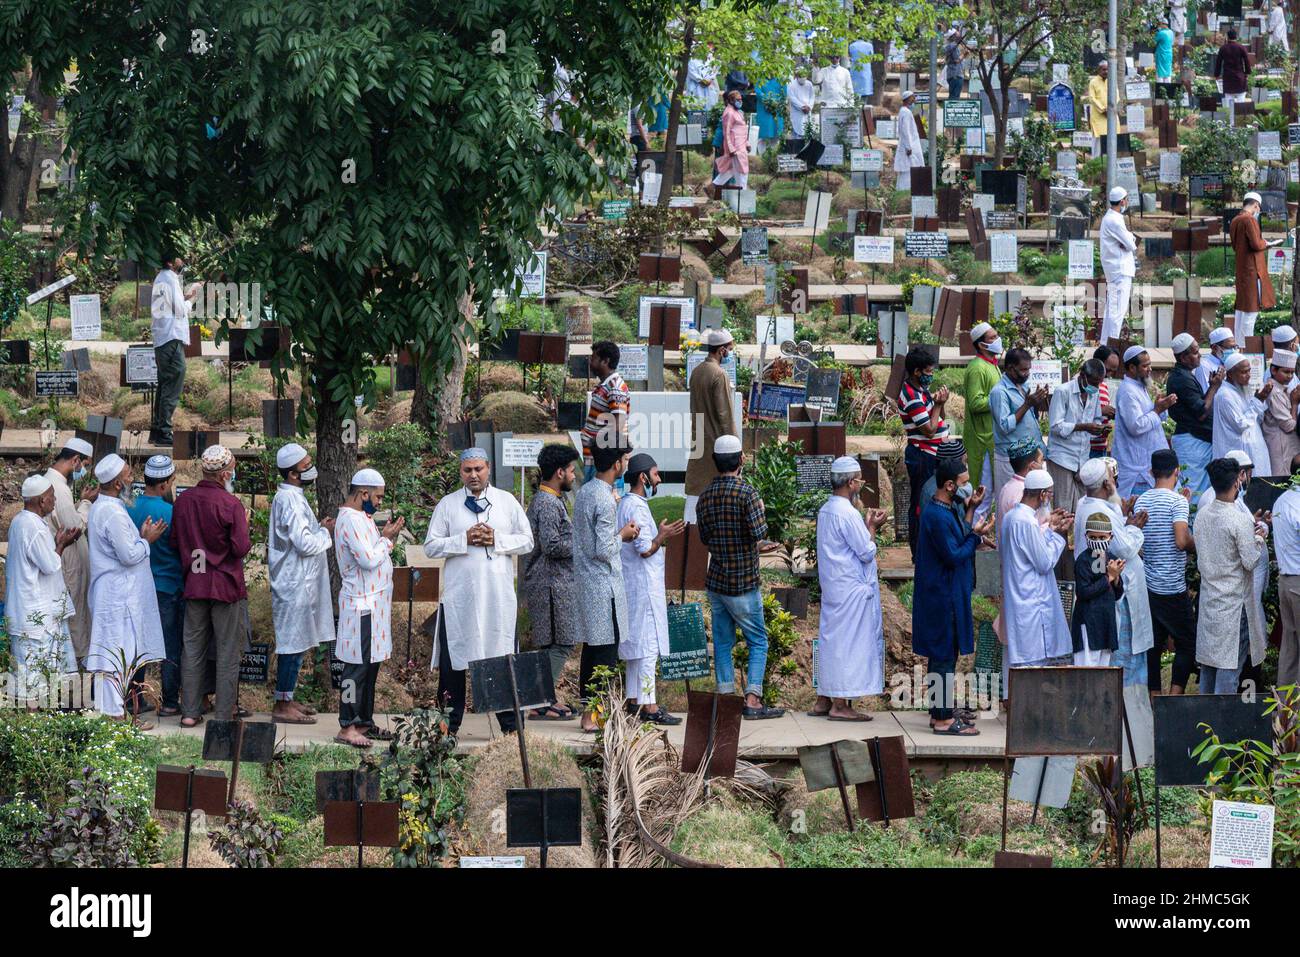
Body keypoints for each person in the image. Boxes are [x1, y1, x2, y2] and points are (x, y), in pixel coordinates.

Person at [423, 449, 534, 735]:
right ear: (460, 472)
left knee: (501, 659)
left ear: (488, 469)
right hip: (460, 600)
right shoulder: (448, 505)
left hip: (497, 600)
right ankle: (446, 730)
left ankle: (511, 731)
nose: (473, 475)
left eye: (478, 469)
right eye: (467, 470)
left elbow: (527, 541)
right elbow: (431, 546)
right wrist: (464, 540)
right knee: (453, 666)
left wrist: (496, 539)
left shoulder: (507, 502)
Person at [696, 435, 784, 719]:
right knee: (758, 640)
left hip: (717, 582)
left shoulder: (705, 496)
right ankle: (753, 700)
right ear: (741, 460)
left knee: (722, 643)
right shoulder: (748, 493)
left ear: (716, 462)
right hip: (744, 583)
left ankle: (725, 698)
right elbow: (760, 535)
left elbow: (705, 538)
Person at [170, 444, 251, 726]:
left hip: (194, 582)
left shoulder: (184, 501)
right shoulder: (231, 505)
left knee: (192, 647)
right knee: (228, 649)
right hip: (225, 586)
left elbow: (175, 541)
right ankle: (224, 711)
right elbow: (240, 548)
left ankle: (190, 711)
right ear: (224, 474)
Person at [913, 458, 993, 735]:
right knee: (944, 656)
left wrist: (971, 509)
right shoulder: (936, 516)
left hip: (948, 593)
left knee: (945, 654)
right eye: (962, 484)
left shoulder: (946, 509)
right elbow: (954, 553)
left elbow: (959, 538)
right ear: (949, 485)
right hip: (942, 595)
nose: (966, 487)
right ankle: (944, 720)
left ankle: (940, 713)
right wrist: (977, 539)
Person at [85, 454, 167, 720]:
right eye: (129, 475)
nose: (134, 479)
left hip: (117, 593)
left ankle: (116, 711)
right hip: (116, 595)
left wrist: (139, 537)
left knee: (120, 654)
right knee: (113, 654)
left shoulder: (109, 507)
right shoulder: (110, 512)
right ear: (119, 483)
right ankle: (113, 715)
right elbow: (128, 556)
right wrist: (147, 541)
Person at [810, 457, 889, 721]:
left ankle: (824, 698)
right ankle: (841, 705)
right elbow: (866, 551)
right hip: (851, 590)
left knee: (831, 641)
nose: (860, 486)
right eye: (859, 481)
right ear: (850, 483)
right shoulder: (847, 513)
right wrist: (873, 528)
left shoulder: (825, 510)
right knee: (848, 645)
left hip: (834, 588)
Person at [334, 469, 403, 748]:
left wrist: (384, 539)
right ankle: (346, 725)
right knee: (356, 668)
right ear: (363, 493)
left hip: (374, 606)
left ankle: (363, 721)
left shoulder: (362, 518)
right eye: (377, 497)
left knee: (371, 666)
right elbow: (366, 559)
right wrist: (387, 540)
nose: (379, 502)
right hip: (360, 606)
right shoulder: (349, 519)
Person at [267, 443, 334, 725]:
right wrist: (325, 532)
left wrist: (317, 528)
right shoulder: (290, 501)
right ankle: (282, 704)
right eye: (306, 465)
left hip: (299, 581)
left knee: (297, 642)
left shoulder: (292, 496)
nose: (311, 469)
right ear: (293, 474)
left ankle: (289, 697)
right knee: (291, 645)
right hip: (293, 582)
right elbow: (305, 544)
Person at [572, 440, 636, 730]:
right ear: (616, 464)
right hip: (603, 585)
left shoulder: (586, 491)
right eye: (625, 459)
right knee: (605, 654)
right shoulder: (605, 499)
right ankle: (592, 716)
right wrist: (624, 533)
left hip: (588, 582)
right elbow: (603, 547)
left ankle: (589, 711)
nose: (627, 464)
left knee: (593, 649)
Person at [617, 452, 685, 725]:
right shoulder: (638, 506)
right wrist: (663, 535)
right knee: (647, 647)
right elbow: (644, 549)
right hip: (643, 587)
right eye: (656, 474)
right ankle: (650, 706)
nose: (659, 479)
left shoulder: (625, 503)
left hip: (633, 585)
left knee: (636, 646)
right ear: (643, 477)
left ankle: (634, 699)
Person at [1196, 457, 1268, 693]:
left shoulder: (1202, 514)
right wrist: (1259, 538)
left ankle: (1203, 721)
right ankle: (1220, 725)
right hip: (1235, 606)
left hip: (1210, 601)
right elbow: (1250, 560)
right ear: (1238, 482)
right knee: (1229, 670)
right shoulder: (1237, 519)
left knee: (1208, 666)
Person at [5, 474, 79, 697]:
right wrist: (62, 545)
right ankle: (34, 726)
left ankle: (41, 726)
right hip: (35, 616)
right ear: (42, 500)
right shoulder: (33, 526)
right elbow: (49, 565)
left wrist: (55, 544)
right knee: (33, 683)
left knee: (35, 678)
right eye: (52, 496)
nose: (54, 501)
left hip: (29, 613)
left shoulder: (21, 521)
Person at [124, 454, 187, 717]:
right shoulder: (171, 512)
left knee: (137, 645)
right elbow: (181, 549)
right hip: (167, 586)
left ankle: (134, 699)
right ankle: (171, 702)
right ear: (164, 485)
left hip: (137, 586)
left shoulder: (128, 508)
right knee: (169, 646)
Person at [521, 443, 581, 719]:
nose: (574, 476)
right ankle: (539, 700)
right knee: (561, 642)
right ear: (559, 472)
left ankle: (544, 698)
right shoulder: (546, 503)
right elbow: (552, 545)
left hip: (553, 584)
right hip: (550, 585)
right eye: (571, 471)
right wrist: (582, 543)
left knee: (552, 643)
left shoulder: (550, 501)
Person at [1135, 450, 1198, 695]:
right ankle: (1174, 698)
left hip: (1148, 586)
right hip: (1172, 586)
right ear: (1177, 471)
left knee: (1153, 646)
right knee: (1186, 643)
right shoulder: (1177, 502)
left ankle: (1154, 699)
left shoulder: (1141, 501)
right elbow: (1182, 540)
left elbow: (1138, 545)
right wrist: (1196, 545)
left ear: (1151, 473)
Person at [1000, 468, 1074, 673]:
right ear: (1042, 495)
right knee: (1032, 665)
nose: (1049, 500)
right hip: (1031, 599)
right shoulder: (1026, 522)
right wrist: (1059, 534)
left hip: (1022, 596)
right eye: (1049, 495)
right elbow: (1044, 561)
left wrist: (1049, 530)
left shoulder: (1012, 517)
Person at [42, 436, 95, 664]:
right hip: (70, 565)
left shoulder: (58, 485)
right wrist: (86, 504)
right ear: (75, 460)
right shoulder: (59, 489)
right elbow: (74, 527)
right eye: (84, 465)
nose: (83, 470)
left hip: (71, 561)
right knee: (76, 620)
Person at [898, 345, 949, 558]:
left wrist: (940, 403)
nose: (931, 376)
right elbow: (928, 430)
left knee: (930, 500)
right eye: (928, 372)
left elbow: (940, 418)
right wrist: (937, 405)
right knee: (920, 503)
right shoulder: (910, 395)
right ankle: (918, 552)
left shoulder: (922, 391)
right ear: (917, 372)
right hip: (922, 454)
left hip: (933, 453)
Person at [685, 328, 737, 523]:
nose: (729, 353)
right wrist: (735, 447)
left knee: (696, 488)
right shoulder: (719, 374)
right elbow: (725, 415)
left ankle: (690, 531)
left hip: (698, 437)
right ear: (722, 350)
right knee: (721, 490)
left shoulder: (697, 371)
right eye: (729, 349)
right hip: (717, 442)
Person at [149, 252, 200, 445]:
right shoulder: (170, 279)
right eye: (179, 258)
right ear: (171, 262)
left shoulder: (163, 277)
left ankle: (157, 429)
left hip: (163, 337)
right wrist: (193, 298)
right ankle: (164, 432)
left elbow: (172, 304)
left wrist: (185, 297)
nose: (183, 261)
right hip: (170, 336)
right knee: (175, 378)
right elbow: (180, 310)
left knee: (164, 383)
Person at [1046, 358, 1107, 515]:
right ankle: (1061, 540)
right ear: (1082, 375)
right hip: (1062, 457)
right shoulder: (1063, 391)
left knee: (1081, 507)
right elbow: (1055, 426)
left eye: (1099, 383)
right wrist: (1084, 427)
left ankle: (1075, 539)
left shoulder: (1095, 394)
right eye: (1093, 382)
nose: (1096, 387)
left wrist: (1099, 429)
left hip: (1082, 457)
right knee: (1062, 509)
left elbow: (1097, 418)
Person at [1113, 346, 1176, 497]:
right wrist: (1157, 410)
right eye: (1145, 366)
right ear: (1132, 368)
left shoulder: (1140, 387)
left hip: (1148, 468)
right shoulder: (1128, 391)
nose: (1150, 369)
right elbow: (1136, 426)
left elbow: (1153, 418)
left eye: (1150, 364)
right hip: (1138, 472)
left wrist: (1160, 406)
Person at [1166, 332, 1223, 495]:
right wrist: (1214, 387)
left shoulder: (1185, 375)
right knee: (1193, 492)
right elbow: (1201, 413)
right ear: (1183, 358)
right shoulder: (1181, 379)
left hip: (1196, 440)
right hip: (1191, 442)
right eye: (1196, 352)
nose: (1200, 356)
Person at [989, 347, 1049, 496]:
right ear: (1010, 368)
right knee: (1012, 499)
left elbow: (1027, 418)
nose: (1027, 374)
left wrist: (1039, 401)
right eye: (1023, 370)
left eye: (1028, 370)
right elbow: (1004, 426)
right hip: (1010, 460)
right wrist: (1027, 404)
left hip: (1030, 457)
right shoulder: (999, 392)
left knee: (1032, 500)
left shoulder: (1023, 386)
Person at [1073, 511, 1125, 666]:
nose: (1097, 541)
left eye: (1102, 538)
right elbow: (1084, 592)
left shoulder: (1110, 558)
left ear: (1111, 538)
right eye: (1093, 537)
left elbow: (1116, 594)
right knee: (1086, 672)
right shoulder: (1083, 560)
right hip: (1088, 623)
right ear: (1086, 537)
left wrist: (1115, 579)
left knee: (1104, 671)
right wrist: (1108, 577)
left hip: (1106, 622)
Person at [963, 322, 1001, 519]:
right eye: (992, 338)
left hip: (991, 439)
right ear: (981, 345)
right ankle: (974, 538)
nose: (997, 340)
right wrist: (1001, 398)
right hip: (981, 441)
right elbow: (976, 404)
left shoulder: (991, 365)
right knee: (982, 495)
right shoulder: (977, 368)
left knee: (990, 494)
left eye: (997, 336)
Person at [1269, 453, 1300, 689]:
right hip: (1298, 581)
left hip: (1286, 581)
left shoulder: (1281, 500)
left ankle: (1286, 716)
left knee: (1290, 648)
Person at [1212, 352, 1271, 473]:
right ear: (1230, 374)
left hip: (1255, 450)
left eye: (1249, 371)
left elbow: (1256, 420)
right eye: (1244, 372)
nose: (1248, 375)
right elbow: (1240, 425)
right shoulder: (1225, 395)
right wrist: (1258, 401)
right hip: (1237, 454)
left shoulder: (1244, 390)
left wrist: (1261, 398)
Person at [582, 340, 630, 480]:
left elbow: (618, 426)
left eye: (594, 358)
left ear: (605, 361)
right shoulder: (607, 385)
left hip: (604, 466)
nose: (590, 362)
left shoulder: (615, 387)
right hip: (598, 461)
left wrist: (609, 466)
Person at [1230, 192, 1275, 338]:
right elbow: (1256, 244)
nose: (1258, 212)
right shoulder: (1249, 220)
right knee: (1251, 311)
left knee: (1241, 311)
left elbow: (1236, 246)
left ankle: (1238, 347)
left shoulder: (1235, 220)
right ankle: (1247, 349)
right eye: (1258, 208)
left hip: (1242, 270)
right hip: (1252, 272)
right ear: (1255, 205)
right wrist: (1267, 244)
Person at [1100, 187, 1137, 344]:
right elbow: (1131, 244)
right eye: (1126, 199)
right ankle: (1112, 346)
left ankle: (1105, 343)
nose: (1127, 202)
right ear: (1122, 201)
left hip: (1115, 270)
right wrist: (1130, 238)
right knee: (1117, 312)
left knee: (1111, 311)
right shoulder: (1115, 220)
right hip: (1120, 270)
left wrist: (1128, 239)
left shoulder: (1110, 218)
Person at [997, 440, 1046, 536]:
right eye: (1041, 460)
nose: (1043, 464)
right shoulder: (1024, 492)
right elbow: (1031, 532)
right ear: (1032, 466)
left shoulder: (1008, 486)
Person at [1263, 350, 1300, 475]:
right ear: (1273, 370)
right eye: (1286, 372)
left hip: (1288, 446)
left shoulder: (1284, 389)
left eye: (1292, 372)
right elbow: (1289, 426)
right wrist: (1295, 403)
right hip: (1280, 446)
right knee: (1282, 480)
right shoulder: (1274, 392)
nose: (1290, 376)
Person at [713, 89, 750, 189]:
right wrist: (731, 148)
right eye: (737, 100)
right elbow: (726, 133)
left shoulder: (739, 112)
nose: (740, 102)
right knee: (742, 170)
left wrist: (747, 143)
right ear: (731, 101)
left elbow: (742, 129)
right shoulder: (729, 113)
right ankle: (742, 193)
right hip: (736, 148)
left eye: (741, 99)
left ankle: (714, 186)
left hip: (741, 145)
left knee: (731, 170)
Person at [1089, 345, 1120, 458]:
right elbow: (1076, 411)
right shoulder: (1084, 384)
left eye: (1113, 371)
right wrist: (1101, 411)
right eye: (1108, 370)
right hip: (1087, 447)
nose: (1109, 374)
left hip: (1101, 445)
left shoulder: (1104, 385)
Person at [1215, 29, 1252, 122]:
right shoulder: (1241, 47)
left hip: (1228, 78)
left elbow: (1218, 62)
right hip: (1240, 77)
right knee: (1241, 101)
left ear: (1227, 37)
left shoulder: (1223, 48)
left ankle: (1229, 123)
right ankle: (1241, 122)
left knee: (1228, 101)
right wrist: (1247, 73)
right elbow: (1247, 62)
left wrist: (1217, 74)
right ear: (1236, 37)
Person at [893, 89, 926, 191]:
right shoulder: (906, 112)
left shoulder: (904, 111)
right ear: (908, 99)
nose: (914, 100)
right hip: (909, 146)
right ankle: (907, 189)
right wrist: (908, 147)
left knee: (909, 168)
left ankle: (904, 189)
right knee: (909, 169)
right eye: (913, 98)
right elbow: (905, 130)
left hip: (908, 144)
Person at [1195, 327, 1237, 391]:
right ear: (1214, 348)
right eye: (1229, 348)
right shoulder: (1204, 366)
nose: (1233, 351)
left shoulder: (1230, 364)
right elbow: (1206, 394)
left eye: (1234, 347)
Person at [754, 77, 786, 152]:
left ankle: (773, 158)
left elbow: (784, 94)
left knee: (776, 135)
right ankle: (762, 158)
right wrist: (769, 100)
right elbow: (758, 92)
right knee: (762, 136)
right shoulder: (760, 79)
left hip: (776, 111)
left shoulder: (781, 79)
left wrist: (776, 102)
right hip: (764, 111)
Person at [1085, 63, 1110, 157]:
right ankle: (1096, 161)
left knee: (1111, 137)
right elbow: (1092, 98)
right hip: (1098, 115)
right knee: (1098, 139)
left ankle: (1109, 163)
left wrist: (1111, 109)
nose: (1106, 72)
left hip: (1110, 115)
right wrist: (1103, 110)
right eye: (1104, 69)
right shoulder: (1093, 82)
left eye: (1107, 69)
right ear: (1099, 70)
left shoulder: (1111, 81)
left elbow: (1117, 96)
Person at [786, 68, 815, 139]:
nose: (802, 77)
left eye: (804, 75)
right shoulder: (791, 84)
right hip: (797, 112)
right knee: (796, 133)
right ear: (796, 75)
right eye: (800, 75)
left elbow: (812, 96)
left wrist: (809, 107)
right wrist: (802, 107)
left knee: (807, 131)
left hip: (807, 111)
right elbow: (792, 98)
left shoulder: (809, 84)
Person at [943, 29, 967, 99]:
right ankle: (951, 109)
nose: (959, 34)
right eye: (957, 33)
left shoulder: (949, 46)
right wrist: (964, 54)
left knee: (953, 95)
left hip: (952, 74)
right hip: (956, 74)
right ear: (953, 36)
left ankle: (950, 109)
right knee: (955, 97)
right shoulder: (953, 46)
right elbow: (957, 60)